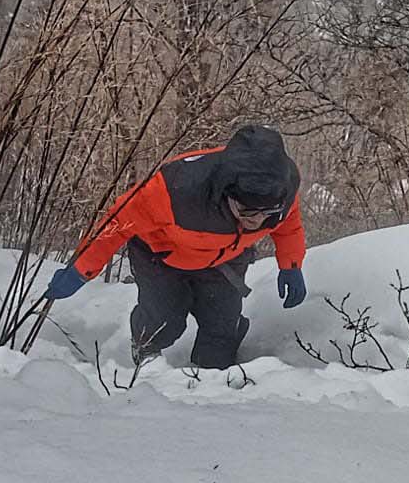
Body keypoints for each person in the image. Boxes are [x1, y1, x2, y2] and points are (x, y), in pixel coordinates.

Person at [44, 125, 309, 368]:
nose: (256, 220)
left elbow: (289, 227)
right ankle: (145, 354)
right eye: (247, 211)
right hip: (160, 256)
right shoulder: (175, 190)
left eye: (267, 212)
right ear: (225, 191)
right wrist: (80, 269)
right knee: (164, 320)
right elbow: (117, 223)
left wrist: (291, 265)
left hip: (223, 261)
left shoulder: (282, 187)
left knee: (222, 327)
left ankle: (212, 382)